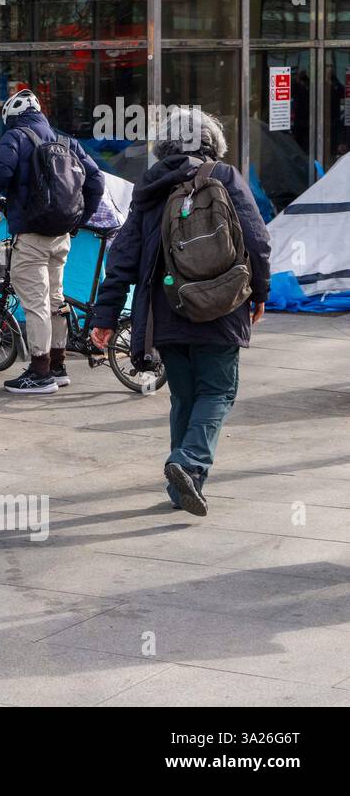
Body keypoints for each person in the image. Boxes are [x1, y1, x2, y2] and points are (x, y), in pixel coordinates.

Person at [90, 109, 270, 516]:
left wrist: (103, 317)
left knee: (185, 397)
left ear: (165, 146)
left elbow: (122, 257)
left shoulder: (150, 187)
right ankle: (187, 463)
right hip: (221, 307)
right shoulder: (223, 177)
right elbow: (257, 240)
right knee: (218, 391)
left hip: (167, 311)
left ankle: (183, 490)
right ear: (212, 144)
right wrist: (260, 291)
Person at [0, 88, 105, 395]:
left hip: (31, 234)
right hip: (62, 235)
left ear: (12, 116)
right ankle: (58, 367)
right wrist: (79, 219)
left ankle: (39, 371)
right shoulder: (67, 142)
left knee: (35, 303)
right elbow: (97, 180)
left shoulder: (17, 137)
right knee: (55, 300)